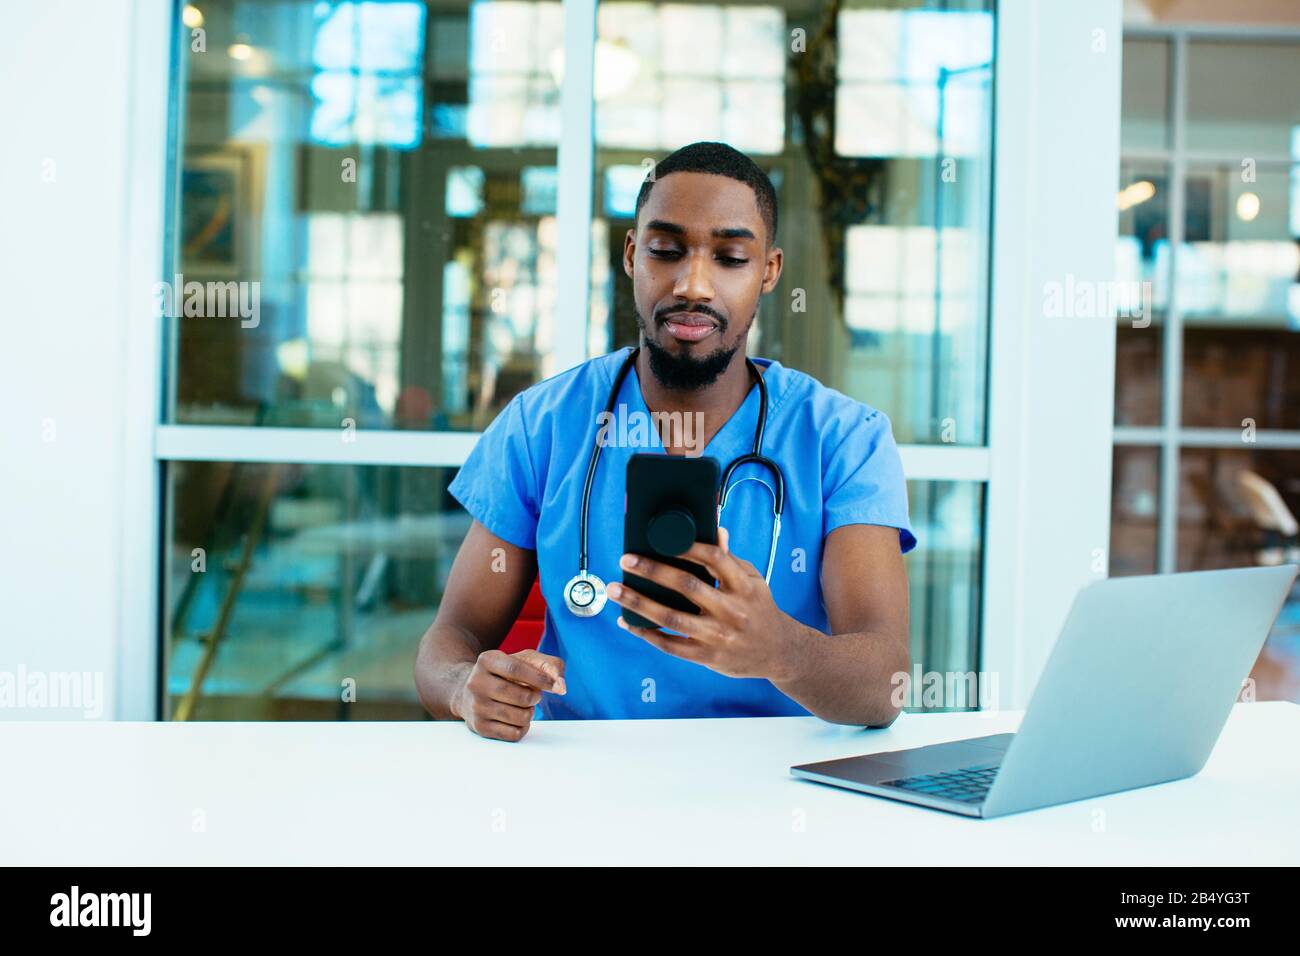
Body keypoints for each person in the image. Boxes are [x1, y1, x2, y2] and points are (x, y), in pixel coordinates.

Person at [415, 141, 916, 741]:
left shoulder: (845, 440)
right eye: (666, 251)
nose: (693, 285)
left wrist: (782, 649)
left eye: (730, 257)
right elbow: (450, 639)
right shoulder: (543, 424)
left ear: (769, 271)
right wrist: (464, 688)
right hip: (584, 773)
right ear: (632, 255)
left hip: (773, 779)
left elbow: (885, 683)